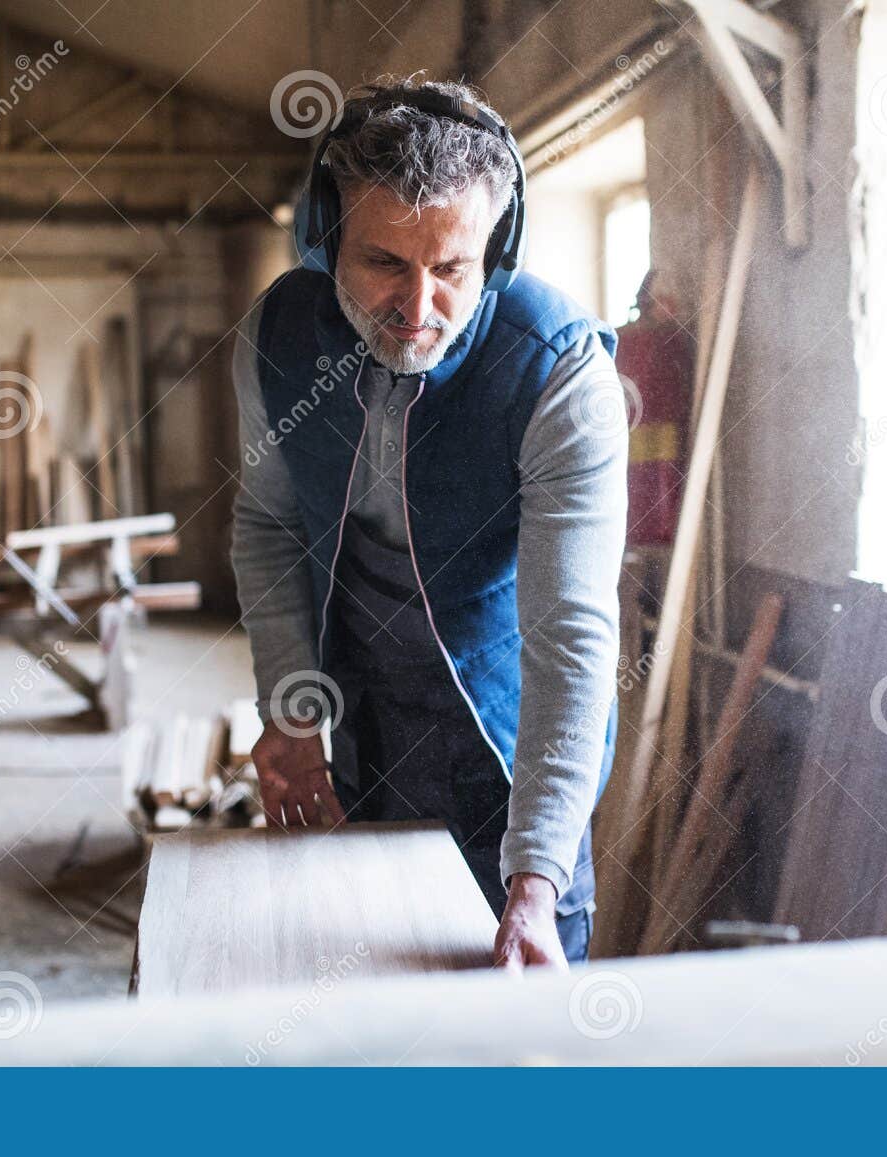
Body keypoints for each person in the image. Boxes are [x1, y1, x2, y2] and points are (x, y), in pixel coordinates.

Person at [231, 77, 627, 968]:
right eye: (383, 263)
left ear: (496, 247)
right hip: (360, 718)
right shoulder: (278, 337)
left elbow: (572, 633)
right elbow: (267, 525)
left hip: (510, 746)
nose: (418, 311)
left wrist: (537, 878)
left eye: (452, 270)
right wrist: (292, 707)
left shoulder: (558, 373)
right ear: (325, 235)